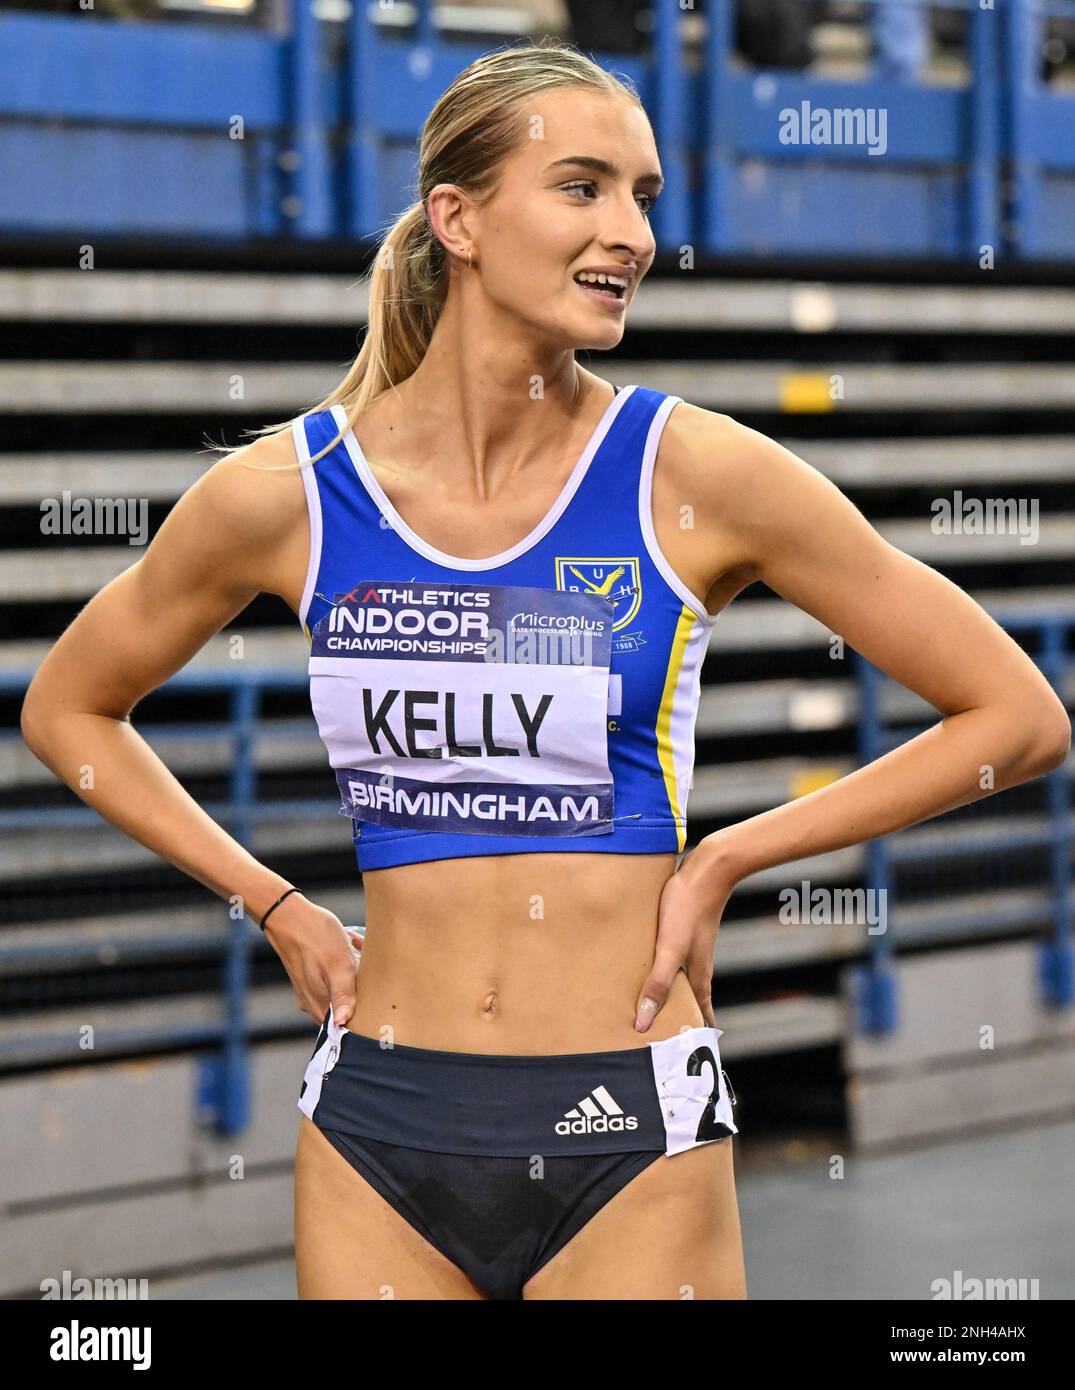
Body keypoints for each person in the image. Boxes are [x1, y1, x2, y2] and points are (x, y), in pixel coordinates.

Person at [20, 38, 1070, 1301]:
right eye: (582, 187)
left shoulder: (693, 474)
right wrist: (273, 900)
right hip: (376, 1124)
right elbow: (68, 706)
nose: (630, 232)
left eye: (643, 195)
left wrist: (733, 853)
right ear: (456, 219)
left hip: (625, 1114)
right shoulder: (285, 496)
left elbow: (1016, 714)